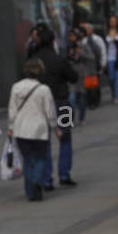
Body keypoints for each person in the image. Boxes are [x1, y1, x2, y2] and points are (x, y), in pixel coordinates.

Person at [34, 26, 79, 189]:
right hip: (62, 101)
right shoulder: (59, 59)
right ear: (53, 41)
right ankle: (64, 174)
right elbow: (73, 77)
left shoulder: (35, 60)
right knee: (65, 138)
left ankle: (46, 179)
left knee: (44, 141)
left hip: (41, 105)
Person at [7, 58, 57, 202]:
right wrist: (55, 127)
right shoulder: (44, 89)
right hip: (39, 129)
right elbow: (50, 111)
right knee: (41, 158)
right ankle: (36, 181)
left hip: (21, 129)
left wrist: (10, 127)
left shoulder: (16, 87)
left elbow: (12, 109)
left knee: (28, 160)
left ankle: (30, 193)